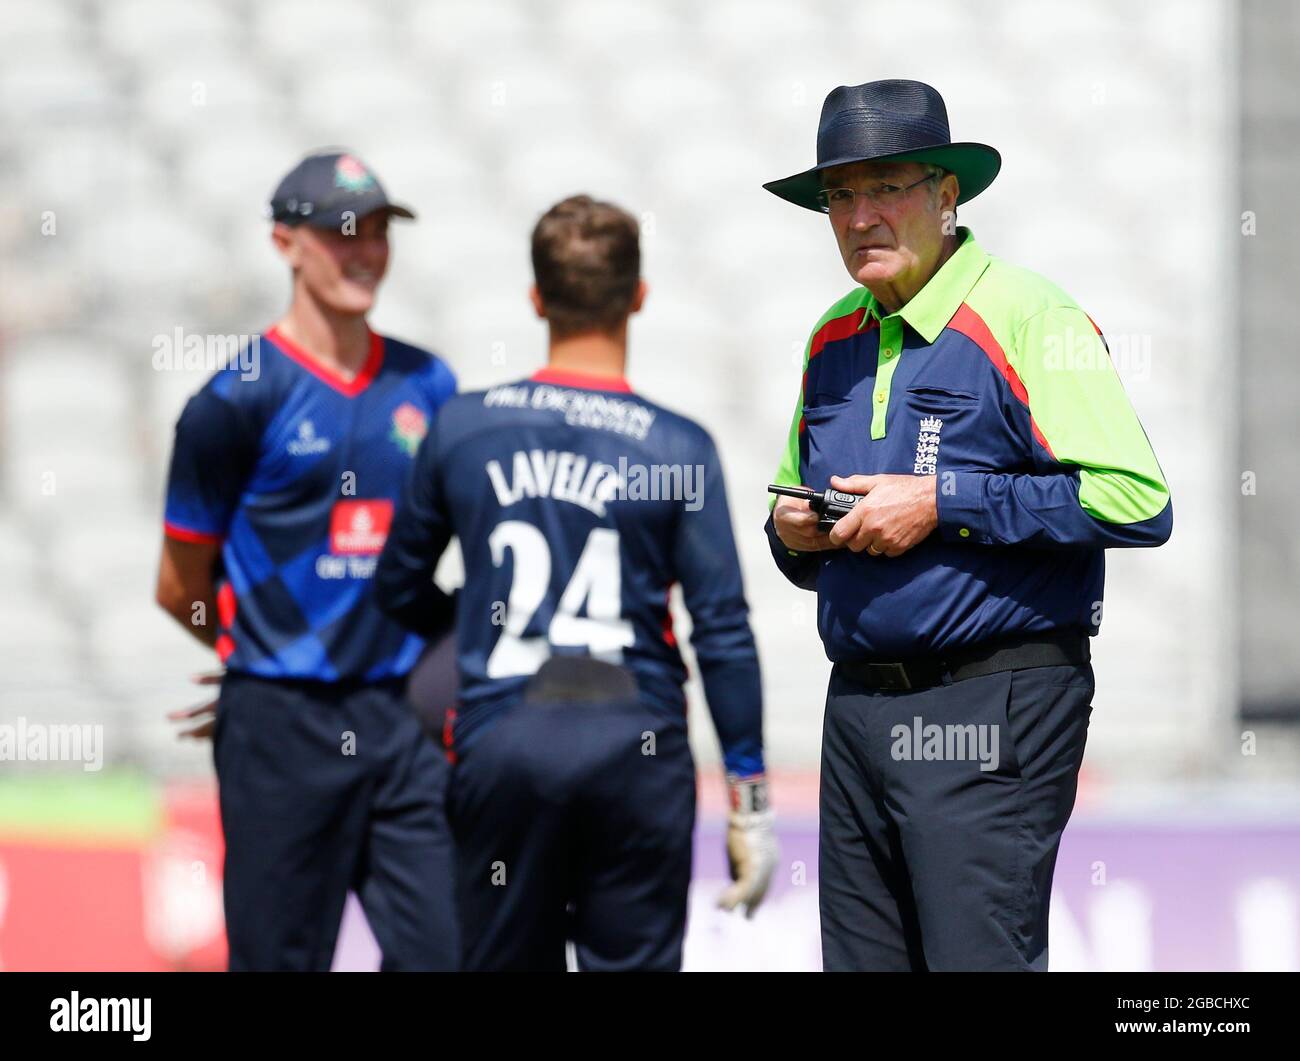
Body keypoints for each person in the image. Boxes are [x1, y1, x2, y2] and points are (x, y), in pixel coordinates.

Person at [762, 80, 1172, 971]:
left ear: (947, 197)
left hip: (994, 703)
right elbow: (793, 516)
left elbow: (1137, 500)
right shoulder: (830, 335)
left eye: (887, 187)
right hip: (859, 706)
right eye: (839, 195)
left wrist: (943, 499)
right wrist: (793, 534)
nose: (859, 215)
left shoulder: (1029, 313)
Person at [374, 194, 777, 971]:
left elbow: (396, 587)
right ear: (639, 297)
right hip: (635, 744)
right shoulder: (679, 447)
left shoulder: (460, 426)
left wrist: (482, 628)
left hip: (503, 743)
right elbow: (721, 630)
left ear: (535, 298)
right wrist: (749, 799)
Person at [155, 150, 459, 971]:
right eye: (342, 232)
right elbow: (178, 585)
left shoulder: (428, 383)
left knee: (453, 951)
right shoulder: (235, 397)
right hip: (279, 733)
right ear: (285, 242)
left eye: (380, 232)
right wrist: (254, 663)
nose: (365, 251)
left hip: (404, 719)